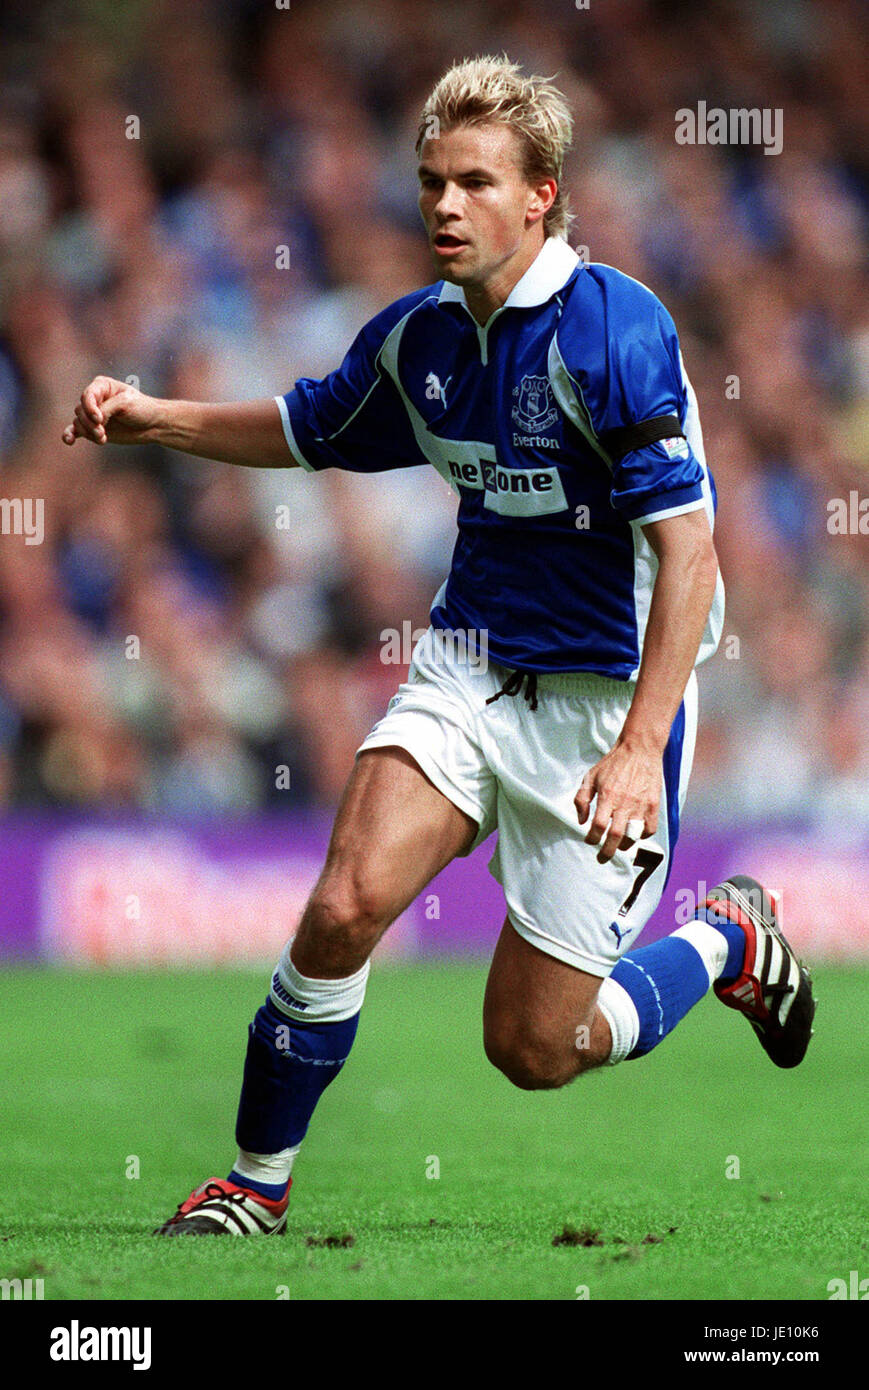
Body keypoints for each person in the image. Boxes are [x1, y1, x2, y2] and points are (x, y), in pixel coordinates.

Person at [62, 56, 815, 1238]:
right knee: (346, 899)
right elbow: (307, 427)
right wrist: (156, 417)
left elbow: (691, 556)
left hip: (602, 702)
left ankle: (724, 935)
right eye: (429, 183)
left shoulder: (613, 331)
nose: (444, 206)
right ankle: (256, 1181)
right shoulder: (420, 338)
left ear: (541, 197)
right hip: (468, 664)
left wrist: (635, 751)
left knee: (536, 1047)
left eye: (473, 182)